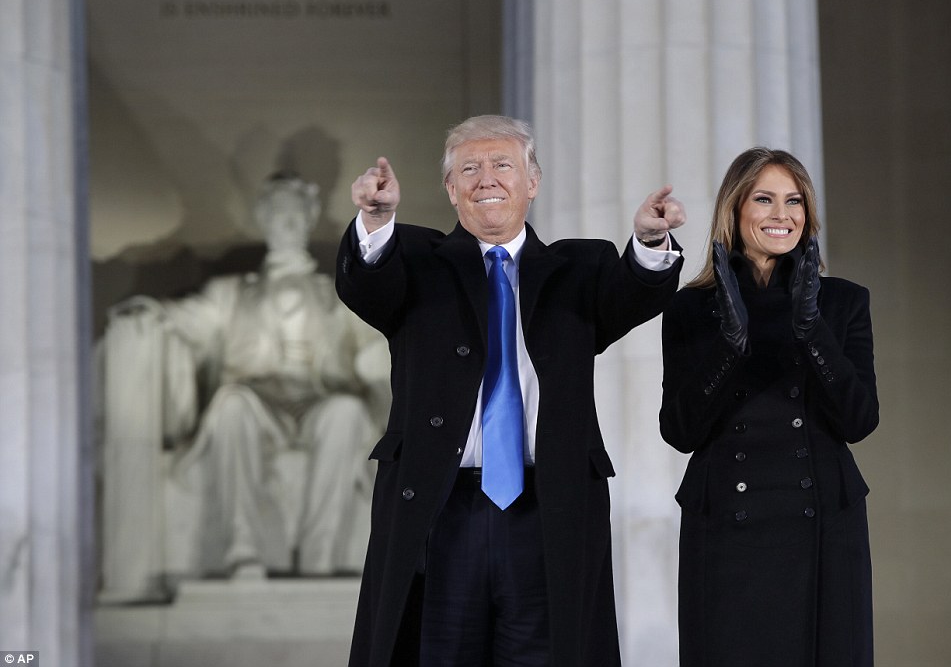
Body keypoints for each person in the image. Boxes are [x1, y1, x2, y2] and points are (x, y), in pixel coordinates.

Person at [336, 114, 686, 666]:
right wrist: (376, 219)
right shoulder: (418, 261)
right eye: (469, 169)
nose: (487, 179)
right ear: (450, 189)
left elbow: (633, 294)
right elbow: (369, 285)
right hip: (442, 511)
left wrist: (647, 241)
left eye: (502, 165)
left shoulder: (579, 268)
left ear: (533, 182)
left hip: (548, 510)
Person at [100, 172, 388, 596]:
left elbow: (378, 339)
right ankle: (243, 550)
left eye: (296, 213)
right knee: (231, 404)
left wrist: (379, 357)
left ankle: (321, 554)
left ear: (309, 220)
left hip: (319, 399)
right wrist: (148, 312)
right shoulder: (230, 293)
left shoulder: (340, 293)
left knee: (347, 412)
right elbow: (186, 318)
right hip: (256, 400)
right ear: (264, 220)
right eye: (278, 212)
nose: (287, 221)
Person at [659, 147, 879, 666]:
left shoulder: (843, 301)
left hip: (823, 529)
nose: (783, 214)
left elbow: (860, 420)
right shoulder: (691, 308)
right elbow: (680, 431)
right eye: (764, 199)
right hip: (726, 535)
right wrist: (729, 343)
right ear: (734, 210)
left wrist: (811, 329)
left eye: (794, 201)